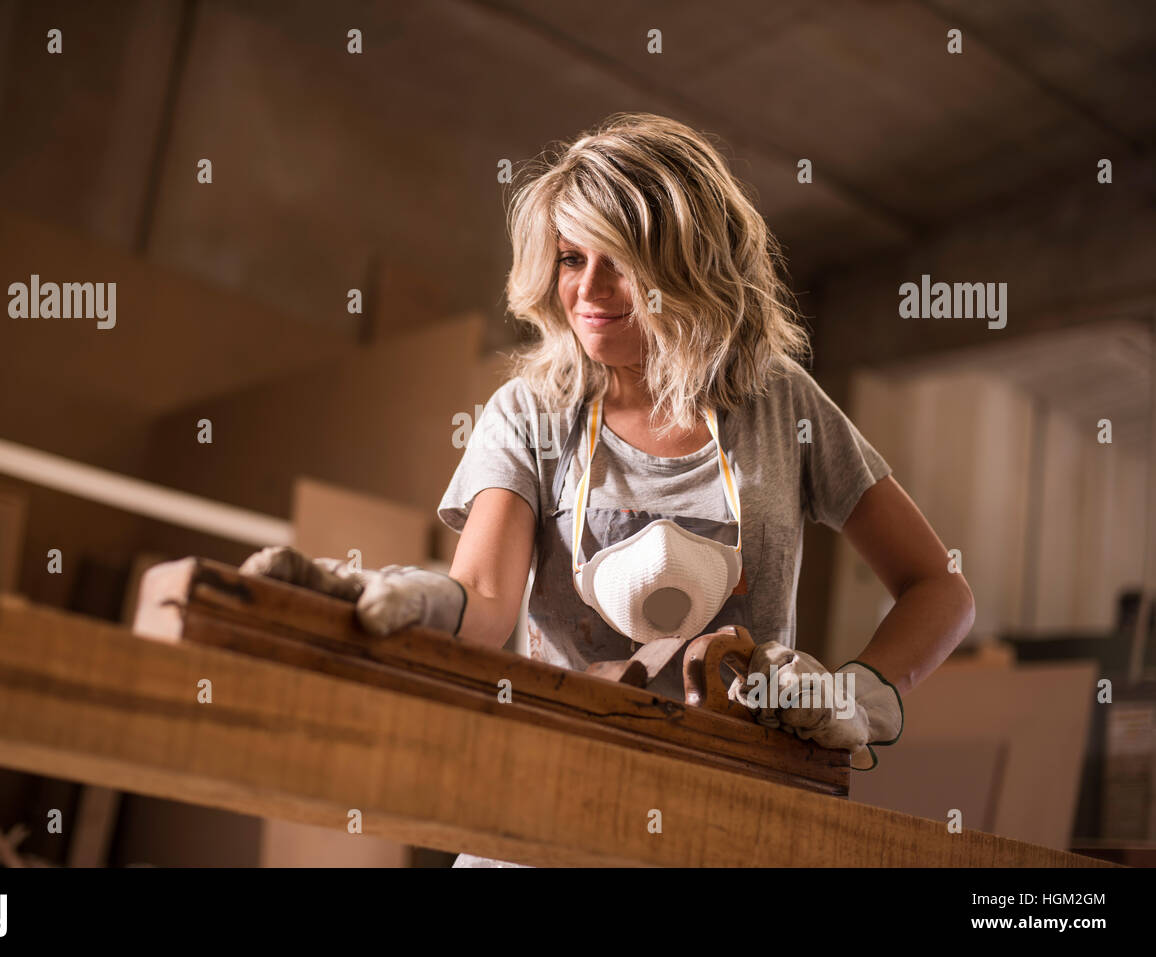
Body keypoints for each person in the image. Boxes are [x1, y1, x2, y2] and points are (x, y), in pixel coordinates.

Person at [241, 113, 976, 868]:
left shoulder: (780, 404)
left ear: (692, 266)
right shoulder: (531, 412)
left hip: (730, 819)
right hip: (548, 807)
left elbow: (938, 588)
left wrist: (858, 695)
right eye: (569, 258)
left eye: (619, 262)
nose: (587, 290)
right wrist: (389, 598)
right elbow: (485, 602)